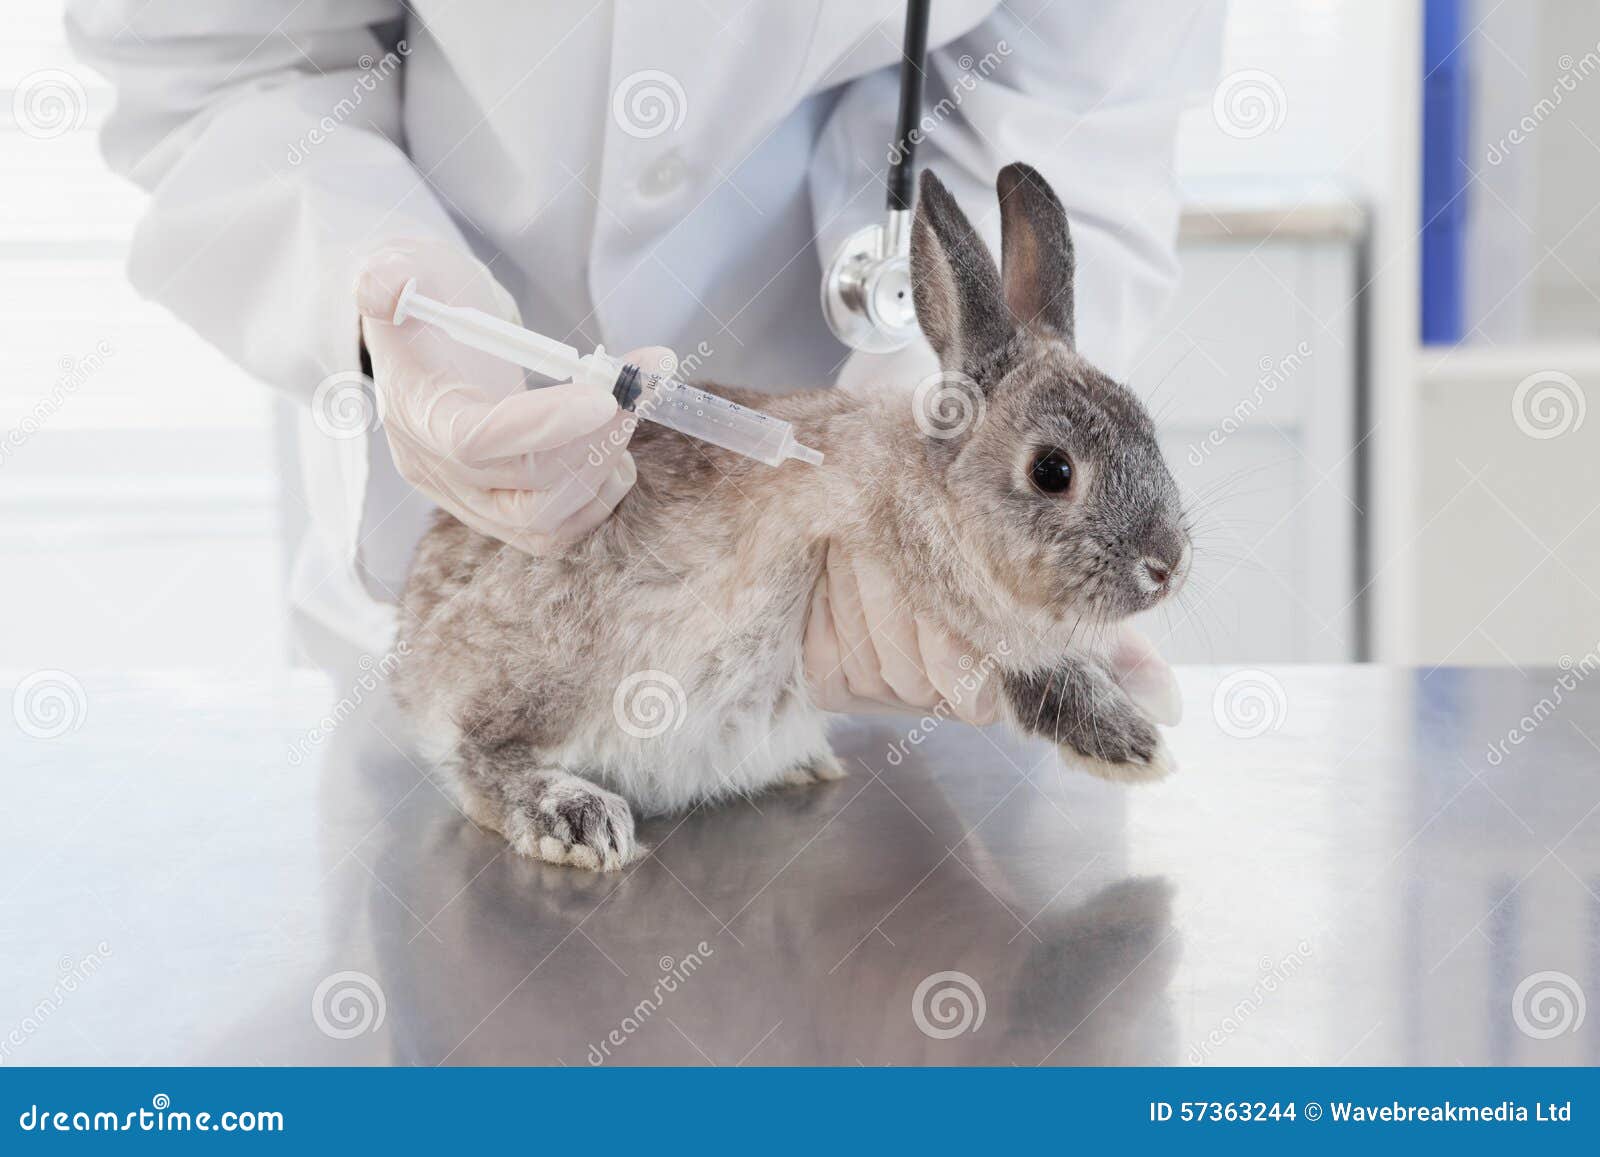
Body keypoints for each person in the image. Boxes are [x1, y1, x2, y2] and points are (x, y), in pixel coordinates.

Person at [67, 0, 1221, 726]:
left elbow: (1076, 94)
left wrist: (918, 496)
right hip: (481, 536)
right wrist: (392, 288)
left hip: (897, 662)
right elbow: (219, 59)